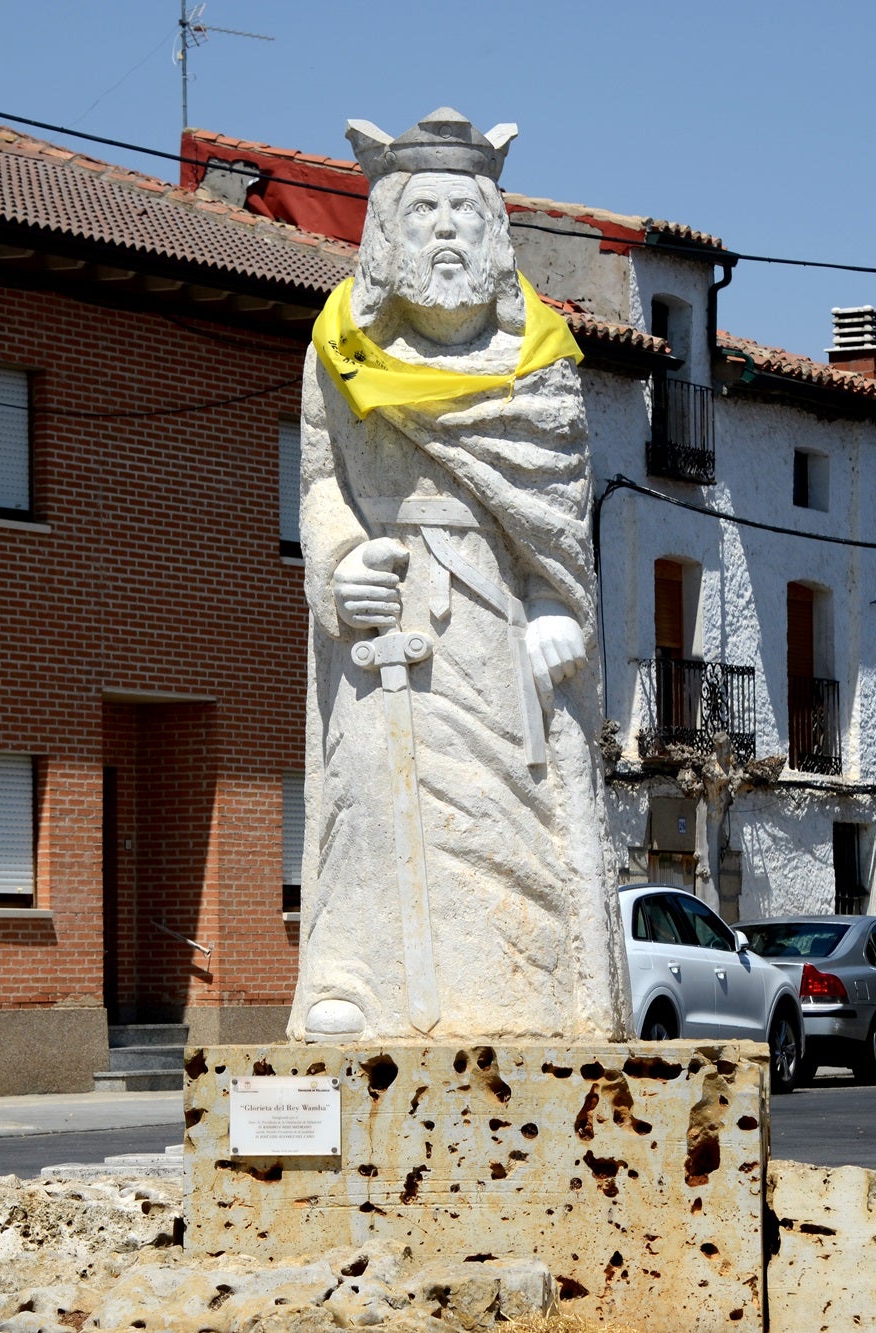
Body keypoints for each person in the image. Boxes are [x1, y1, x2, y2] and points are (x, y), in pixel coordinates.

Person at [286, 110, 628, 1042]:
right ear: (386, 229)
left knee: (509, 827)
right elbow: (320, 484)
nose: (445, 229)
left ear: (496, 231)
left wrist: (560, 605)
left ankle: (532, 1001)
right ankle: (352, 979)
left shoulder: (540, 367)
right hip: (384, 630)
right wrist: (340, 565)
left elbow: (560, 523)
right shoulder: (340, 355)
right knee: (365, 799)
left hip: (493, 638)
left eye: (464, 212)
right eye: (424, 209)